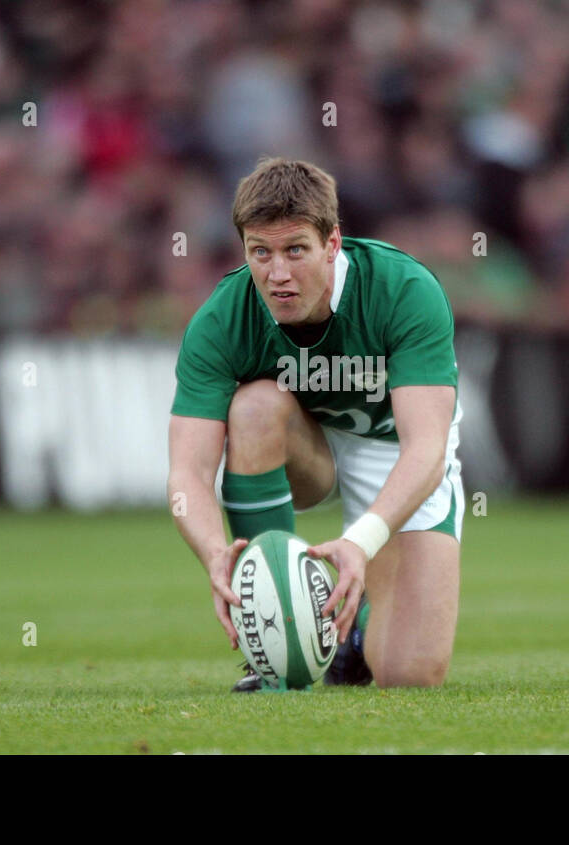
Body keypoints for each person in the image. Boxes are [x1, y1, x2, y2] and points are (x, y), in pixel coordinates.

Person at [167, 157, 464, 690]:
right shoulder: (221, 318)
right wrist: (214, 552)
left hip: (394, 448)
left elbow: (427, 450)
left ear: (332, 245)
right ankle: (277, 656)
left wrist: (360, 542)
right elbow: (187, 474)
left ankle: (352, 634)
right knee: (254, 406)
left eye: (295, 250)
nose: (277, 274)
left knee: (411, 676)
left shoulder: (403, 289)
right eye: (261, 252)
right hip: (308, 447)